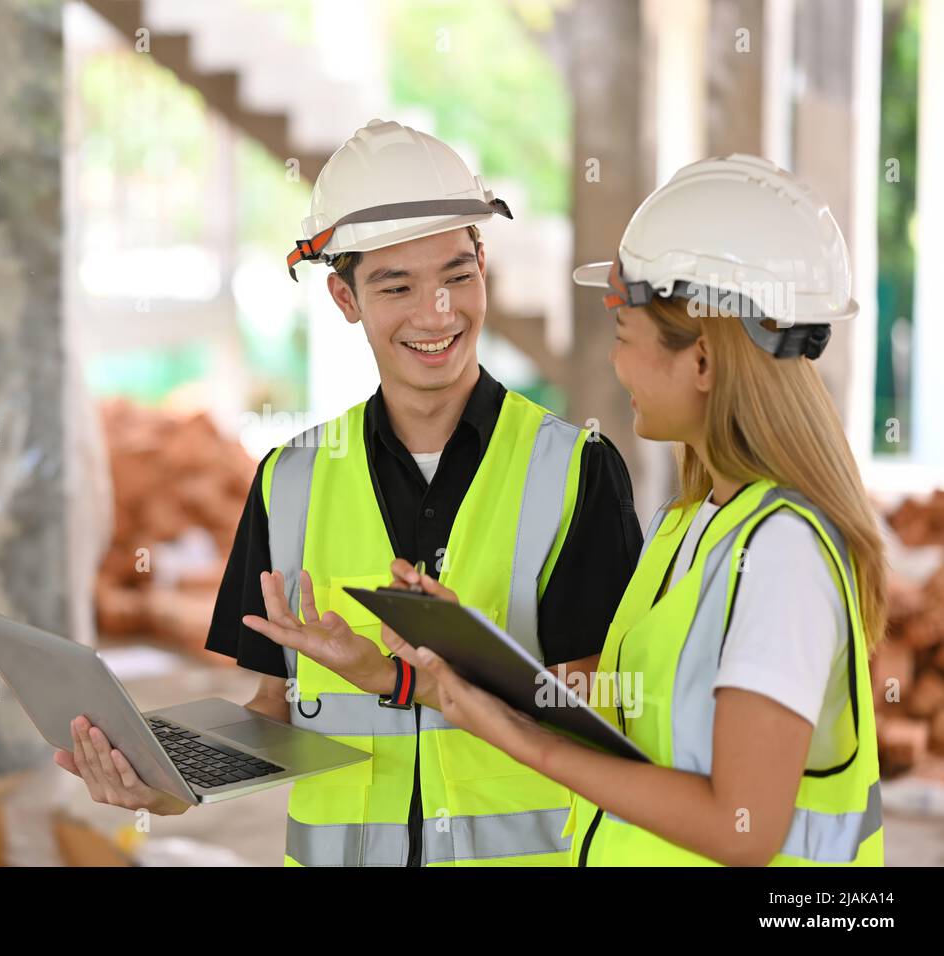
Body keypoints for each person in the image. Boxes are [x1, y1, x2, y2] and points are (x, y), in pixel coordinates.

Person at [55, 119, 643, 867]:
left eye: (458, 276)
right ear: (344, 296)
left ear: (484, 264)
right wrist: (167, 783)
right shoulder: (289, 480)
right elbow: (276, 709)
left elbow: (604, 705)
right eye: (398, 286)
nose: (437, 313)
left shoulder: (574, 467)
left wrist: (419, 679)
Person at [381, 154, 886, 866]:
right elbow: (632, 698)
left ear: (704, 361)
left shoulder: (782, 555)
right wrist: (468, 665)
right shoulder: (690, 523)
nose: (614, 365)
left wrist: (529, 742)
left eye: (624, 337)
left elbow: (740, 826)